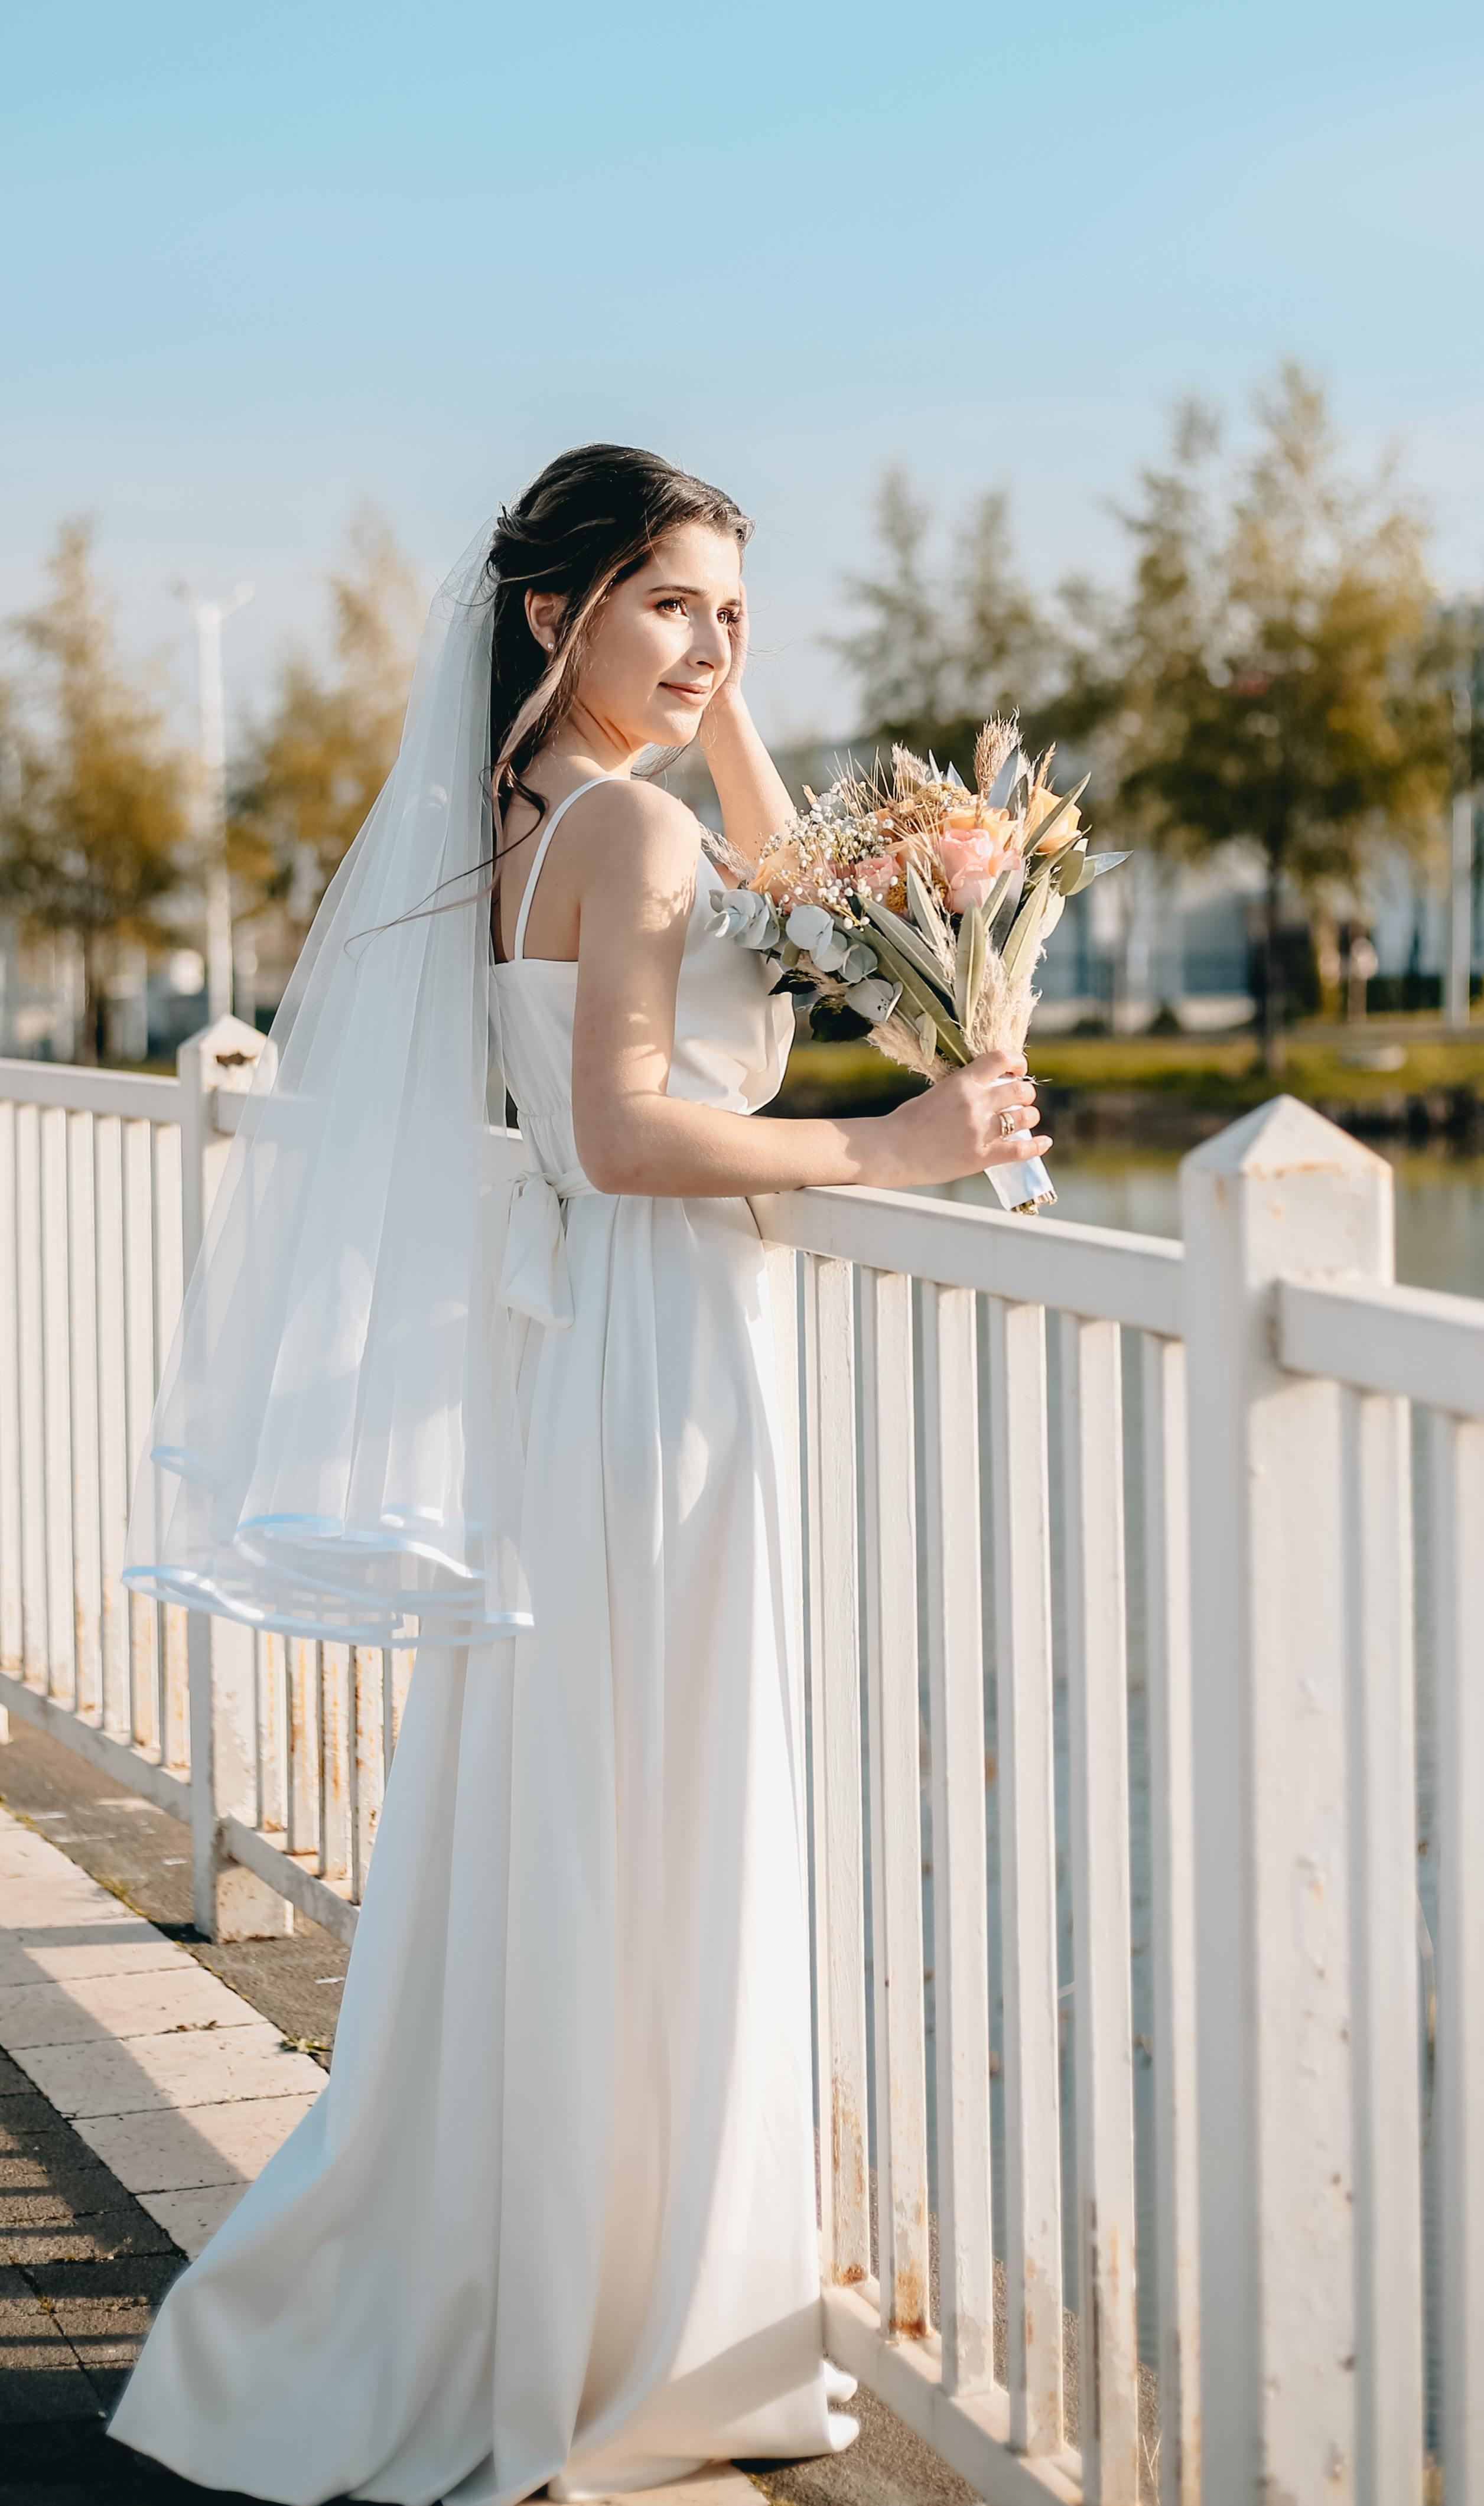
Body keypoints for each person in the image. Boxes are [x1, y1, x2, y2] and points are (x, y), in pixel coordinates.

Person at [110, 445, 1046, 2504]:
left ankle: (581, 2271)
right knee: (671, 1790)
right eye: (667, 605)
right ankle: (640, 2323)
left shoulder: (537, 808)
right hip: (655, 1339)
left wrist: (722, 704)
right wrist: (898, 1152)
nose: (712, 644)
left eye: (731, 607)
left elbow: (811, 900)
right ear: (556, 616)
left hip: (599, 1353)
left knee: (602, 1796)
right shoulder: (622, 831)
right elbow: (626, 1132)